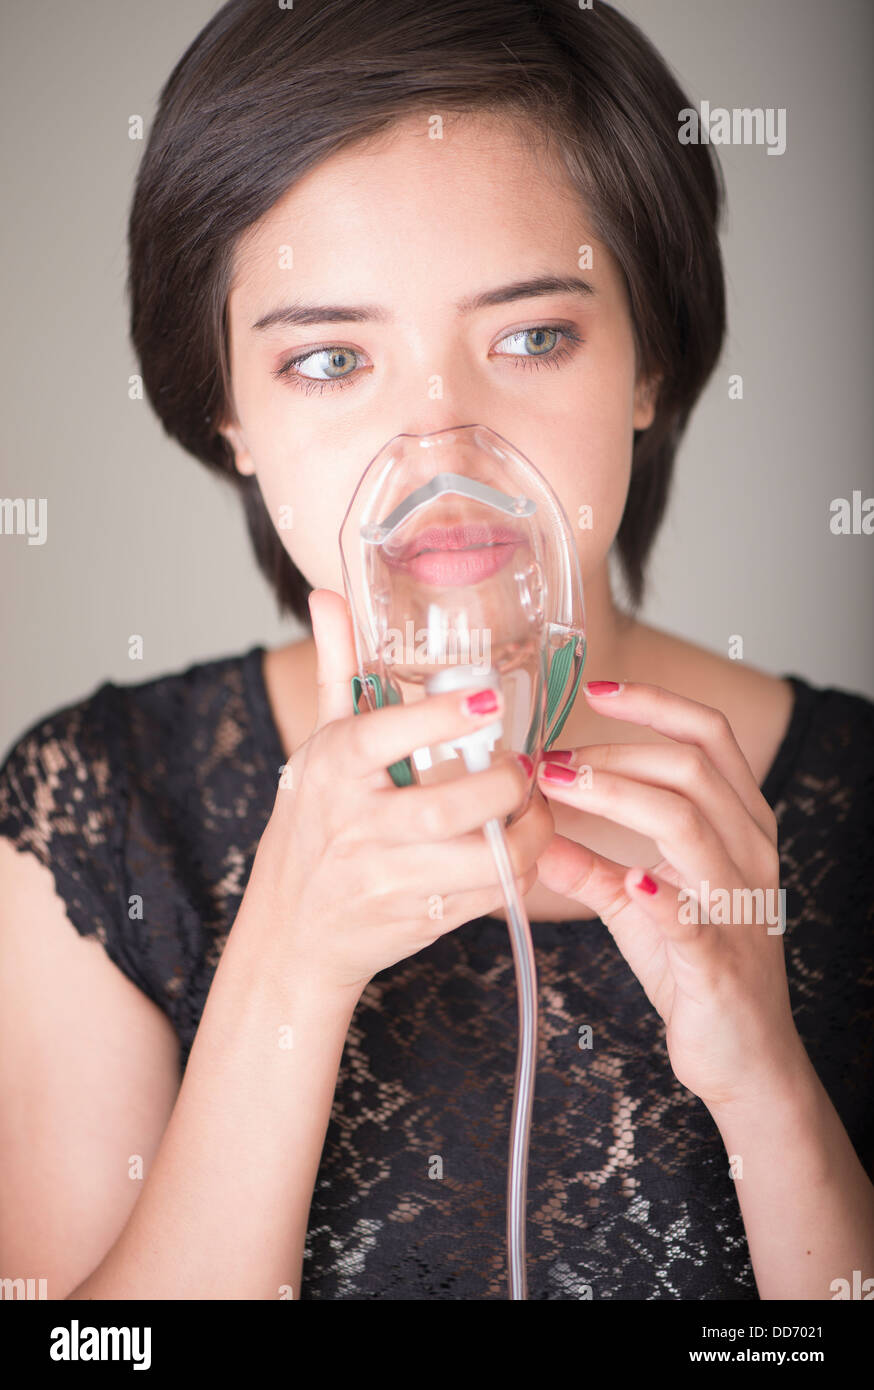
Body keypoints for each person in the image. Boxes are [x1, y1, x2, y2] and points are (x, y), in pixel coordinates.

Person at [1, 0, 872, 1302]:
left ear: (649, 363)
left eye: (530, 336)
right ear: (226, 409)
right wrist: (282, 976)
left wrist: (766, 1084)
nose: (441, 445)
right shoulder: (98, 811)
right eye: (330, 357)